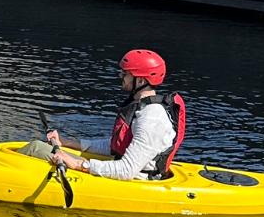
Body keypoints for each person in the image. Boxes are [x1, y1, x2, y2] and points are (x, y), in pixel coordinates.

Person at [37, 49, 185, 181]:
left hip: (136, 181)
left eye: (126, 73)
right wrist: (66, 142)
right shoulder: (141, 107)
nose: (121, 76)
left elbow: (127, 170)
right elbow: (114, 145)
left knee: (35, 150)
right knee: (36, 147)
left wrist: (78, 164)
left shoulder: (151, 119)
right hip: (127, 172)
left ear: (140, 80)